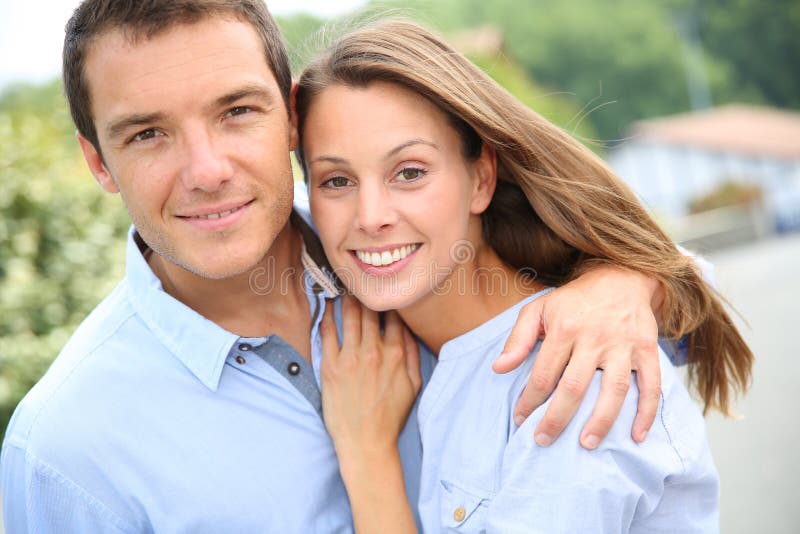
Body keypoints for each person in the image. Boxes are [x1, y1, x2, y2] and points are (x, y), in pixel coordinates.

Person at [0, 1, 695, 532]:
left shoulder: (395, 254)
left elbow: (681, 291)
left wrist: (624, 284)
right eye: (148, 133)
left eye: (237, 111)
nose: (207, 172)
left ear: (291, 115)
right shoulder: (64, 452)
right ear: (98, 163)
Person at [293, 19, 753, 532]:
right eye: (336, 180)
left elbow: (687, 277)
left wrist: (367, 456)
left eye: (411, 172)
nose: (370, 215)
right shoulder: (440, 341)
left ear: (482, 178)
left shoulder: (572, 377)